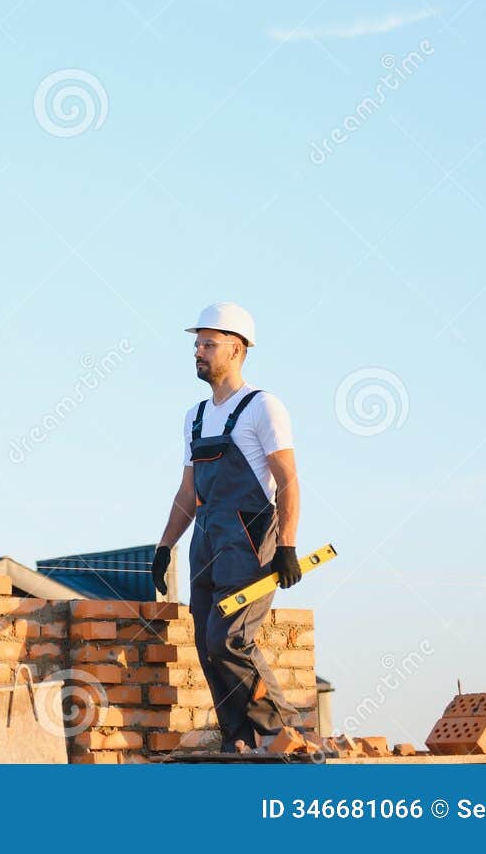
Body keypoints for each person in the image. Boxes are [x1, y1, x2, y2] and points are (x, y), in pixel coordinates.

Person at [152, 302, 302, 751]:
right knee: (205, 643)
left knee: (229, 640)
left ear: (236, 350)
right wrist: (164, 548)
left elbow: (289, 481)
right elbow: (187, 494)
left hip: (250, 540)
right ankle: (237, 741)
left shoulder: (262, 407)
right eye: (197, 343)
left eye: (209, 344)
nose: (198, 351)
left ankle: (283, 735)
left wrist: (287, 546)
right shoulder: (195, 416)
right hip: (206, 542)